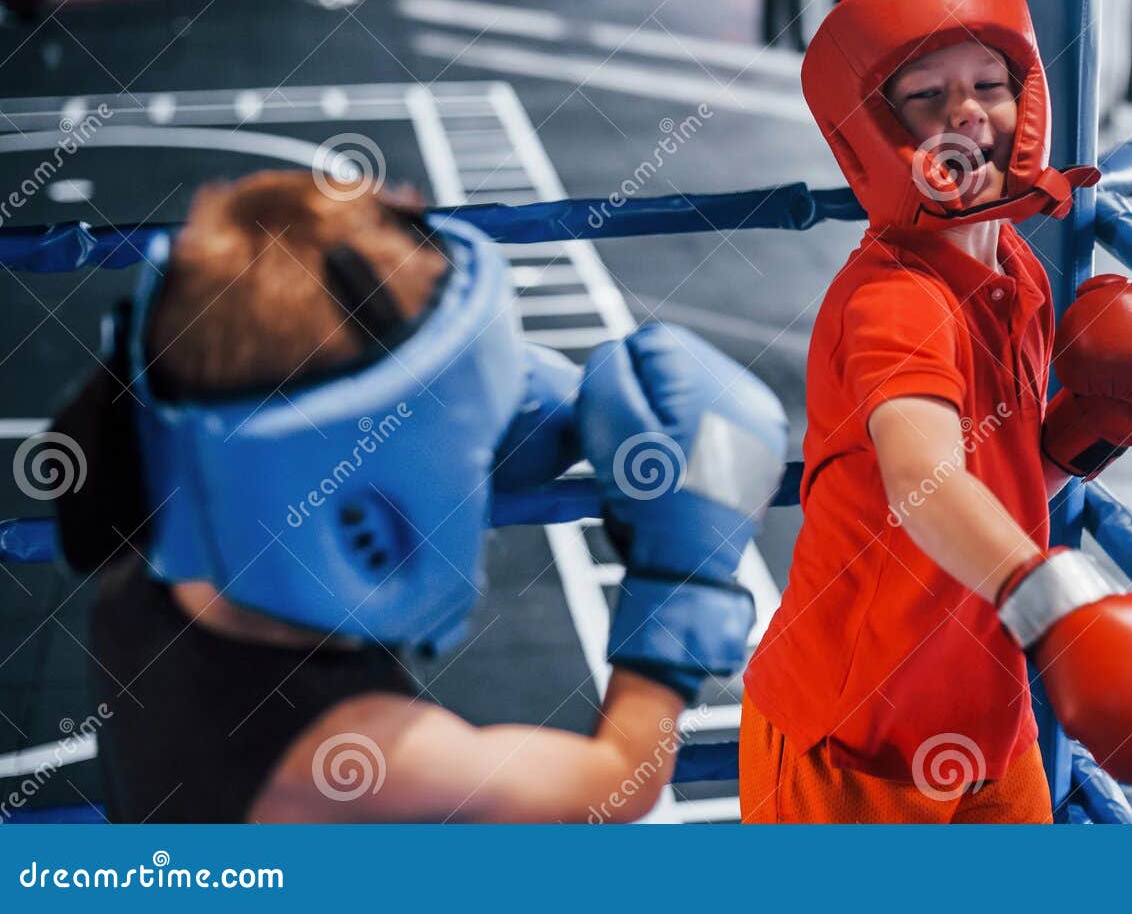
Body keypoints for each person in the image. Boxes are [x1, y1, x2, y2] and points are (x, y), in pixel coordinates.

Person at [52, 170, 786, 823]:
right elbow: (613, 784)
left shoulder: (142, 577)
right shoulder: (372, 758)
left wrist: (474, 431)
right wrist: (684, 579)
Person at [740, 0, 1132, 823]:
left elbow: (997, 480)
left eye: (989, 82)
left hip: (985, 712)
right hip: (859, 736)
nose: (966, 109)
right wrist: (1055, 604)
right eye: (927, 94)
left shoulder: (1019, 271)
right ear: (874, 134)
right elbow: (920, 478)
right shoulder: (895, 299)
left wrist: (1092, 432)